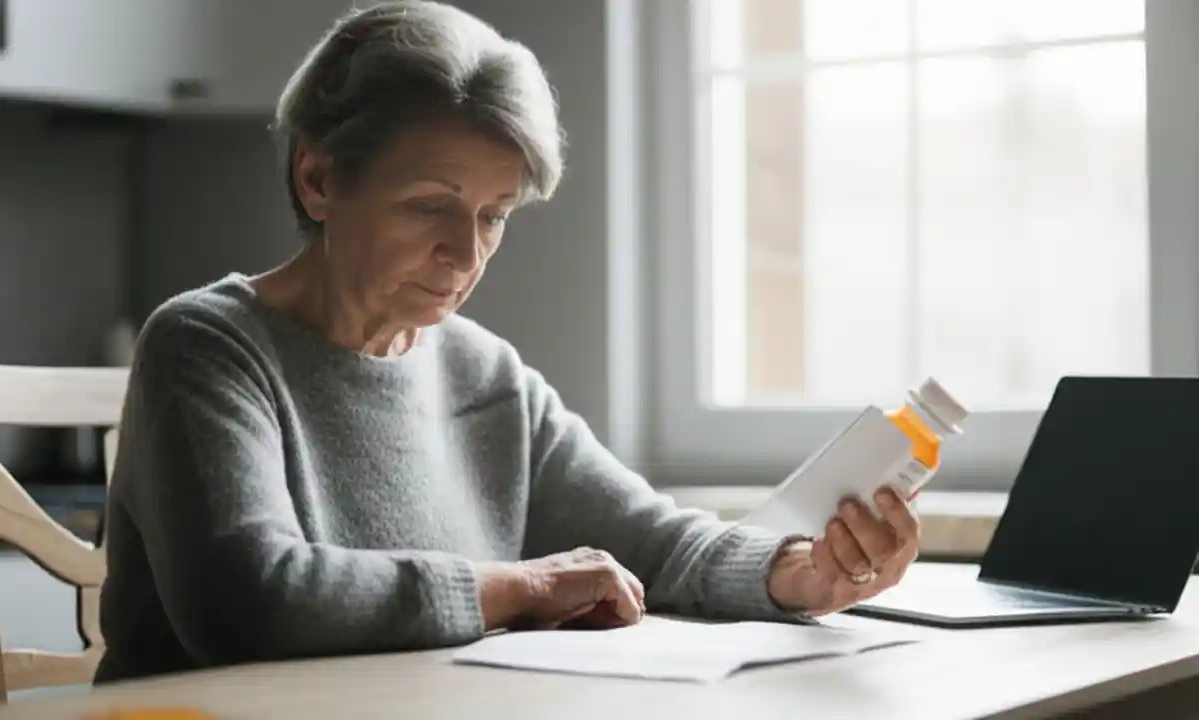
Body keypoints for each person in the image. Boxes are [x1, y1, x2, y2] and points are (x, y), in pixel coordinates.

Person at [95, 0, 920, 682]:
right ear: (318, 179)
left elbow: (657, 545)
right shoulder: (206, 345)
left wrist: (803, 572)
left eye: (493, 215)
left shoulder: (483, 374)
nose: (467, 252)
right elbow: (247, 600)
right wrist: (523, 588)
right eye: (429, 205)